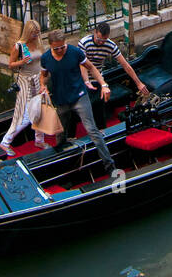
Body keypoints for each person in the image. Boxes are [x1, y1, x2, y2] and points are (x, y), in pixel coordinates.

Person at [40, 28, 117, 174]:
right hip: (61, 99)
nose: (61, 50)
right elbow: (43, 75)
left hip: (79, 96)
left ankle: (110, 166)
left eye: (63, 46)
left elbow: (91, 68)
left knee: (92, 130)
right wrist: (43, 85)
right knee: (61, 134)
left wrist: (103, 84)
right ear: (50, 46)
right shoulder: (45, 58)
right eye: (57, 48)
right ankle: (63, 170)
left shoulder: (75, 52)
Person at [79, 21, 148, 127]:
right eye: (99, 39)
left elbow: (126, 66)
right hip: (81, 78)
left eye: (104, 40)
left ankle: (102, 130)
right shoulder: (84, 43)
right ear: (95, 32)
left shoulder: (110, 45)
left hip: (97, 79)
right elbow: (82, 65)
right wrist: (86, 82)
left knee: (99, 107)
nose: (101, 42)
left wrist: (138, 83)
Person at [0, 19, 48, 156]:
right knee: (25, 115)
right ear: (28, 32)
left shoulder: (38, 42)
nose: (36, 35)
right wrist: (22, 61)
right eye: (34, 33)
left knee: (40, 111)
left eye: (37, 33)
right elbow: (10, 64)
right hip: (25, 82)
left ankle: (39, 139)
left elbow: (42, 60)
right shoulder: (19, 46)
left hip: (38, 79)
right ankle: (5, 142)